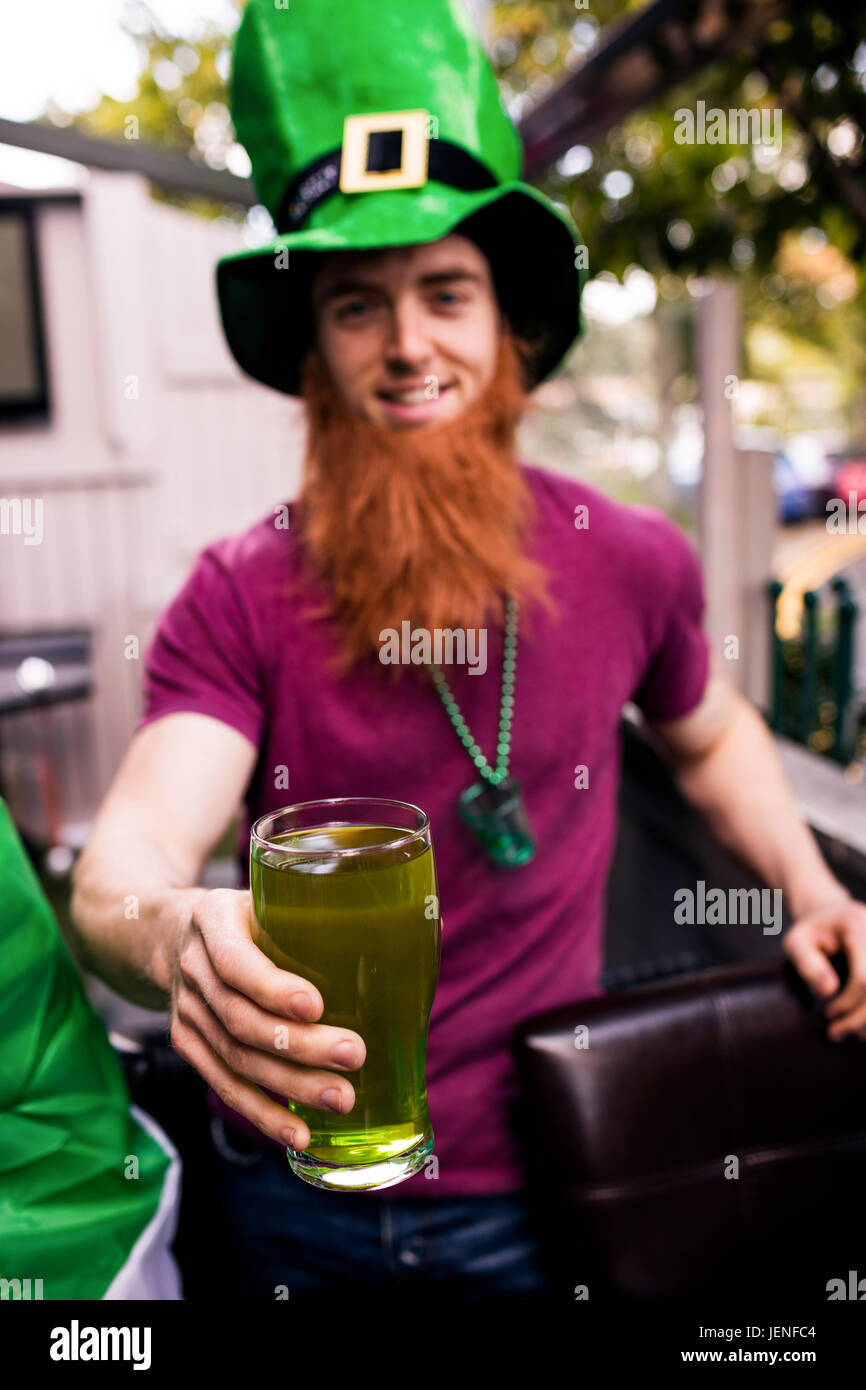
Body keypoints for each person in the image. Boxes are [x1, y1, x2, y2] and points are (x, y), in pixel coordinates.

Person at [69, 0, 866, 1301]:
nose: (406, 346)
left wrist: (813, 889)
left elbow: (711, 727)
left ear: (508, 332)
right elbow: (124, 864)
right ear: (314, 356)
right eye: (353, 305)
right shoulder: (238, 591)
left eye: (445, 292)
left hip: (544, 1181)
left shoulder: (630, 558)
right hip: (293, 1181)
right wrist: (167, 933)